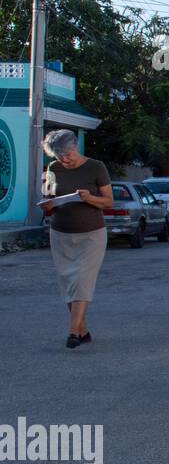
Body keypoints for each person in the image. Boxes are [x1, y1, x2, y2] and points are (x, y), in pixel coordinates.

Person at [39, 129, 112, 349]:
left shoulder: (96, 167)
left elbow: (108, 202)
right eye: (60, 156)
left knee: (82, 280)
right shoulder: (52, 169)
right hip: (61, 233)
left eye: (68, 155)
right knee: (68, 282)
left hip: (92, 234)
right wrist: (47, 204)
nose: (65, 160)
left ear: (76, 147)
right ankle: (83, 330)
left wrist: (90, 198)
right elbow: (47, 198)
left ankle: (72, 332)